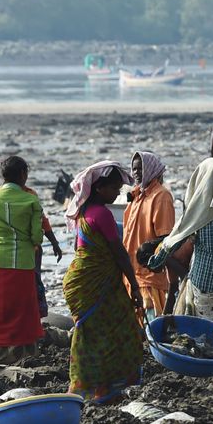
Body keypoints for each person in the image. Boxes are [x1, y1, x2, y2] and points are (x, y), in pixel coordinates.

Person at [62, 161, 144, 402]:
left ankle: (98, 386)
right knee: (115, 328)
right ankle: (99, 386)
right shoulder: (102, 214)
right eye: (114, 188)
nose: (118, 193)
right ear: (99, 188)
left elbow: (80, 249)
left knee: (95, 331)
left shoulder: (84, 212)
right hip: (94, 282)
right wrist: (134, 285)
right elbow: (119, 253)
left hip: (81, 280)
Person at [0, 156, 51, 366]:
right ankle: (21, 354)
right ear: (23, 174)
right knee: (22, 308)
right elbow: (36, 237)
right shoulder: (31, 199)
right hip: (23, 261)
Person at [147, 157, 213, 319]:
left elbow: (178, 236)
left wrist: (156, 260)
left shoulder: (201, 210)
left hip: (204, 279)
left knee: (204, 322)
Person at [122, 152, 175, 319]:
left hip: (149, 276)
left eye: (141, 168)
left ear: (151, 169)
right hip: (132, 274)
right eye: (134, 169)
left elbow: (166, 238)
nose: (136, 173)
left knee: (151, 323)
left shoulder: (161, 196)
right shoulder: (136, 196)